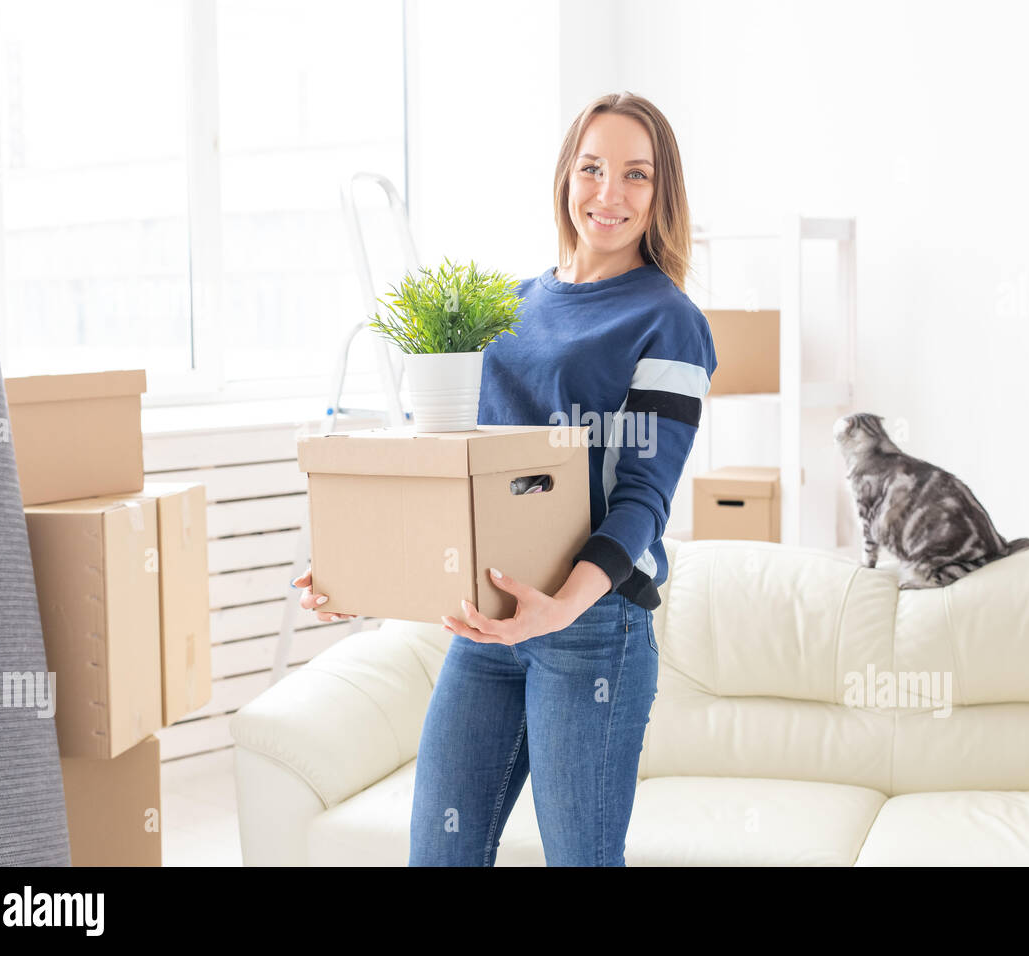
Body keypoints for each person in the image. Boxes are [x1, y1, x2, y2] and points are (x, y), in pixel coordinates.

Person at [292, 91, 717, 866]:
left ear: (662, 194)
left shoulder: (670, 320)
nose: (609, 194)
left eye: (636, 175)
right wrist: (359, 569)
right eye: (592, 169)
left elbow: (642, 500)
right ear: (566, 177)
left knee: (580, 857)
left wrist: (557, 609)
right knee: (440, 854)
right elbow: (457, 471)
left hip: (592, 628)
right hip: (486, 625)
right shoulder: (507, 307)